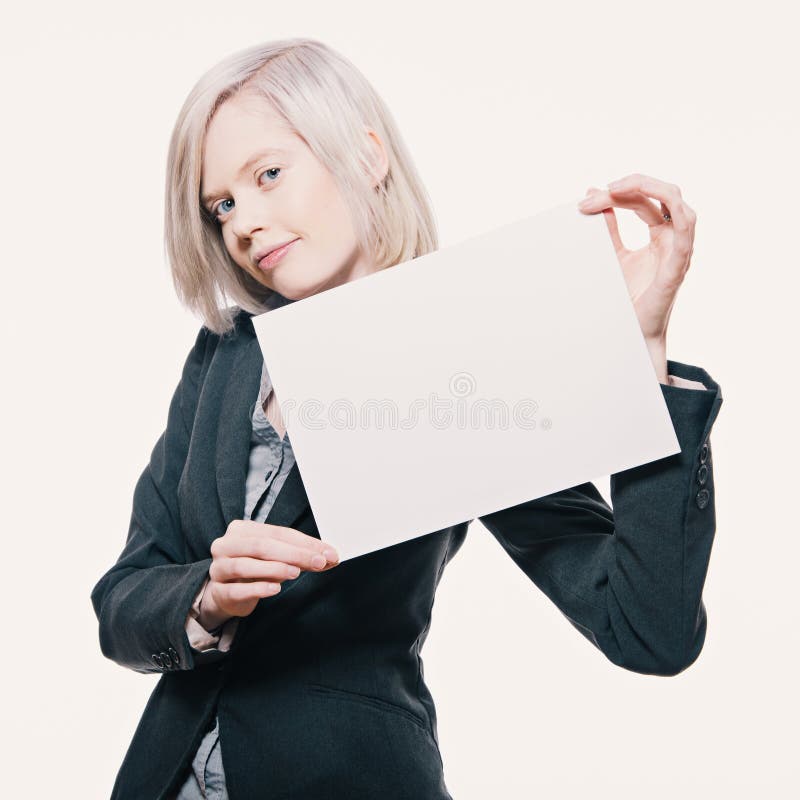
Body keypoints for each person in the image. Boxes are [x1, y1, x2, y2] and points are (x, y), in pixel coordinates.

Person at [90, 36, 724, 800]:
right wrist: (205, 597)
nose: (245, 224)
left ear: (365, 154)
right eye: (221, 205)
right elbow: (122, 601)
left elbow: (648, 632)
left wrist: (643, 362)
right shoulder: (225, 357)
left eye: (268, 174)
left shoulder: (458, 356)